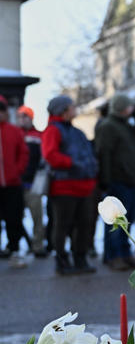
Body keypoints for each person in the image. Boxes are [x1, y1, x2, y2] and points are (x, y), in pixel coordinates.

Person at [42, 95, 98, 274]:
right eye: (72, 107)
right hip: (64, 187)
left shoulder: (76, 131)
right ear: (63, 110)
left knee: (83, 224)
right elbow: (50, 155)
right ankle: (61, 261)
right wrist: (72, 163)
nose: (75, 109)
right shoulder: (53, 130)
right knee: (62, 225)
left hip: (83, 186)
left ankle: (80, 259)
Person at [95, 94, 135, 271]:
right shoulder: (108, 126)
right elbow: (104, 154)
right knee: (116, 220)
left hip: (131, 179)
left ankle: (125, 253)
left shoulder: (126, 125)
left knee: (128, 219)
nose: (132, 110)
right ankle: (113, 255)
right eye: (130, 107)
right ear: (122, 107)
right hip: (117, 179)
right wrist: (105, 181)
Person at [0, 96, 30, 268]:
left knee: (14, 219)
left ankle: (14, 250)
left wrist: (17, 171)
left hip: (12, 184)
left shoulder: (13, 131)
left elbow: (24, 153)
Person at [17, 105, 47, 258]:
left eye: (25, 116)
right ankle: (25, 243)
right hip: (16, 184)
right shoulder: (16, 134)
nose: (22, 119)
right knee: (15, 218)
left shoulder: (38, 136)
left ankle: (38, 246)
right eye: (20, 117)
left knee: (37, 218)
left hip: (33, 184)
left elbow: (42, 160)